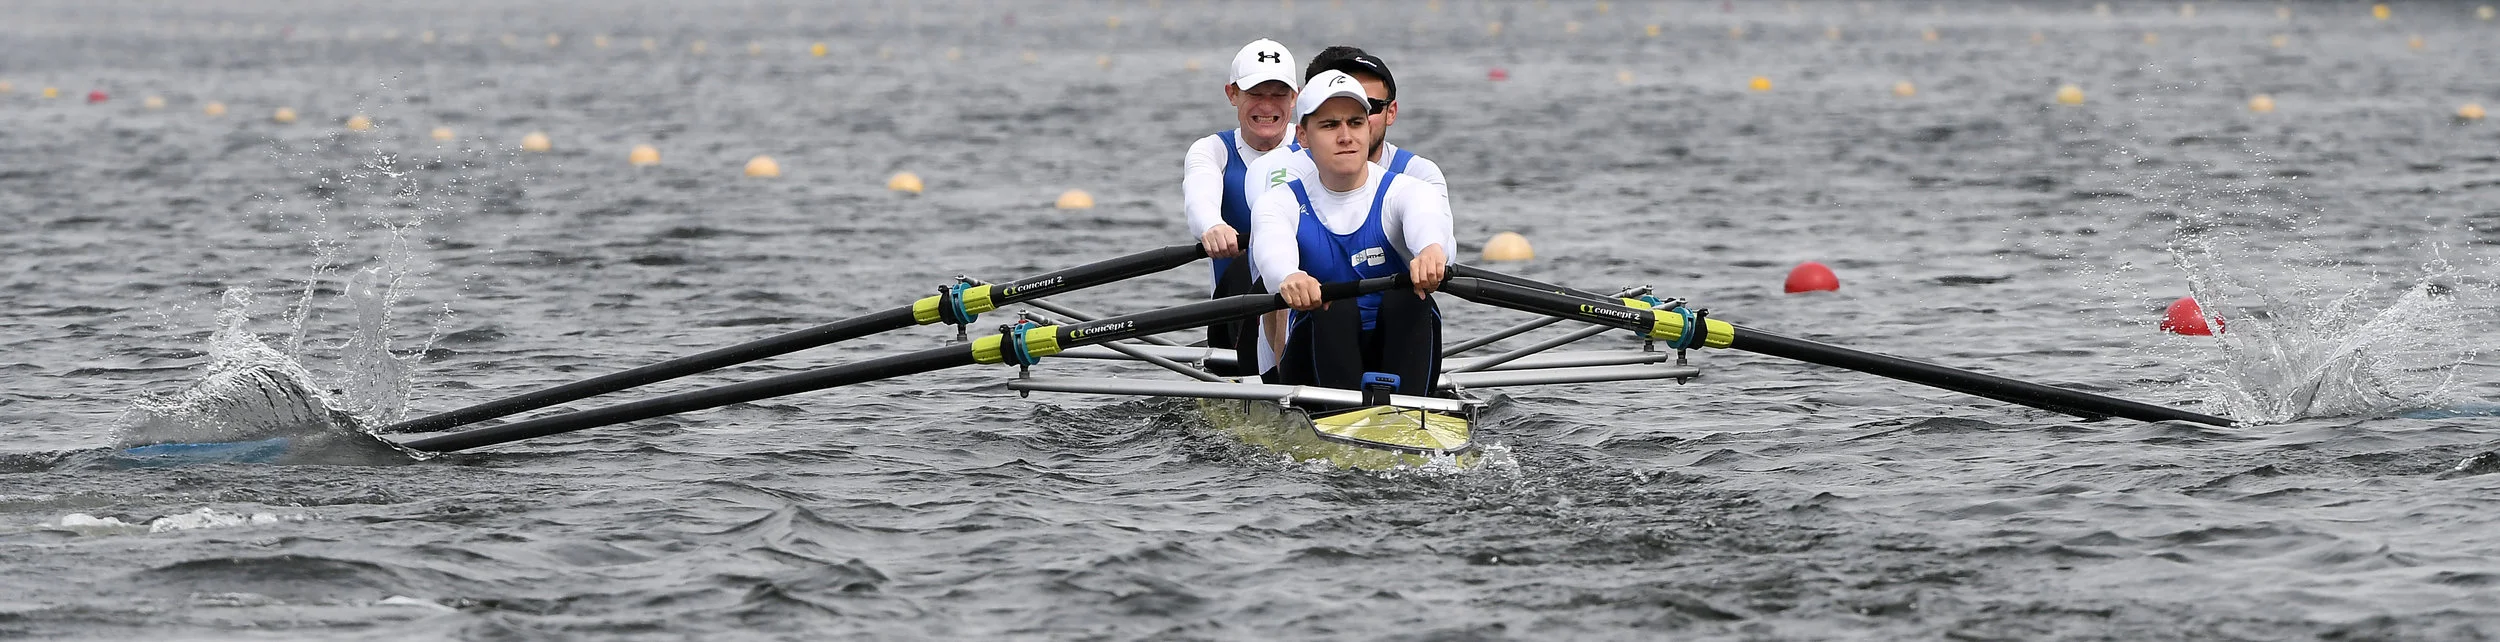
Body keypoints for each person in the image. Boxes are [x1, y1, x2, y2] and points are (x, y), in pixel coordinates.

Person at [1240, 45, 1450, 376]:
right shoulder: (1280, 201)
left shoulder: (1406, 190)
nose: (1345, 136)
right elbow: (1272, 248)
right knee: (1334, 307)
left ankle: (1408, 415)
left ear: (1369, 129)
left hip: (1397, 354)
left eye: (1355, 123)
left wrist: (1432, 252)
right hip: (1315, 356)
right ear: (1303, 136)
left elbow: (1427, 222)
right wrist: (1289, 277)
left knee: (1409, 300)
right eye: (1329, 125)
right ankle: (1340, 418)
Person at [1181, 38, 1300, 375]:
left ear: (1295, 97)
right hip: (1239, 309)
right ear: (1232, 94)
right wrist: (1212, 226)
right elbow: (1199, 196)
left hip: (1310, 302)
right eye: (1255, 94)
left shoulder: (1315, 148)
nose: (1267, 105)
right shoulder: (1212, 151)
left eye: (1278, 93)